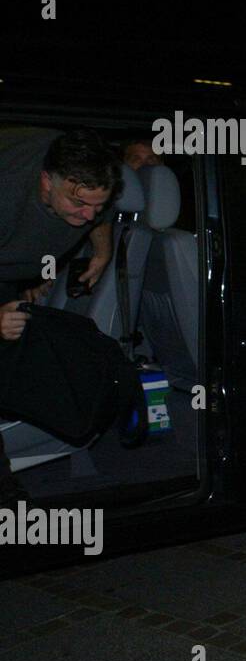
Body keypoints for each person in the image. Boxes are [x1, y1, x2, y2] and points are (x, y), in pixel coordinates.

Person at [0, 127, 120, 496]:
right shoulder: (6, 192)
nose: (88, 216)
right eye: (78, 204)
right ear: (46, 181)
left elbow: (99, 215)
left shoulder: (91, 181)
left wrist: (102, 252)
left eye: (97, 205)